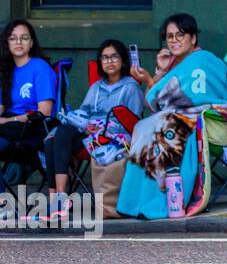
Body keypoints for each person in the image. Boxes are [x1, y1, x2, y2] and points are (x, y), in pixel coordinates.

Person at [117, 14, 227, 219]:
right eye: (170, 36)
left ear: (193, 38)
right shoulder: (176, 67)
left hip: (216, 123)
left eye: (180, 35)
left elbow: (218, 94)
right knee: (145, 127)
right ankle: (141, 202)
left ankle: (165, 200)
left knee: (167, 126)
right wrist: (159, 72)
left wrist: (152, 79)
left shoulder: (202, 60)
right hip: (184, 119)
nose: (174, 40)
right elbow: (153, 102)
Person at [37, 40, 146, 218]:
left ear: (123, 60)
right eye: (104, 57)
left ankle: (59, 201)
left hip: (112, 139)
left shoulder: (131, 88)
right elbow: (84, 111)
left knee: (60, 137)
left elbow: (132, 123)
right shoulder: (96, 87)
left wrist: (101, 128)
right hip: (89, 135)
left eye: (114, 57)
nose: (109, 61)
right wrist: (85, 124)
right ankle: (57, 199)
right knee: (54, 138)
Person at [0, 19, 58, 184]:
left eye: (24, 38)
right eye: (13, 38)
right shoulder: (6, 70)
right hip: (8, 132)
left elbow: (43, 113)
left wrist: (8, 120)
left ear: (31, 42)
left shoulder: (40, 68)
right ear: (7, 43)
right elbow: (1, 105)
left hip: (31, 131)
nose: (18, 42)